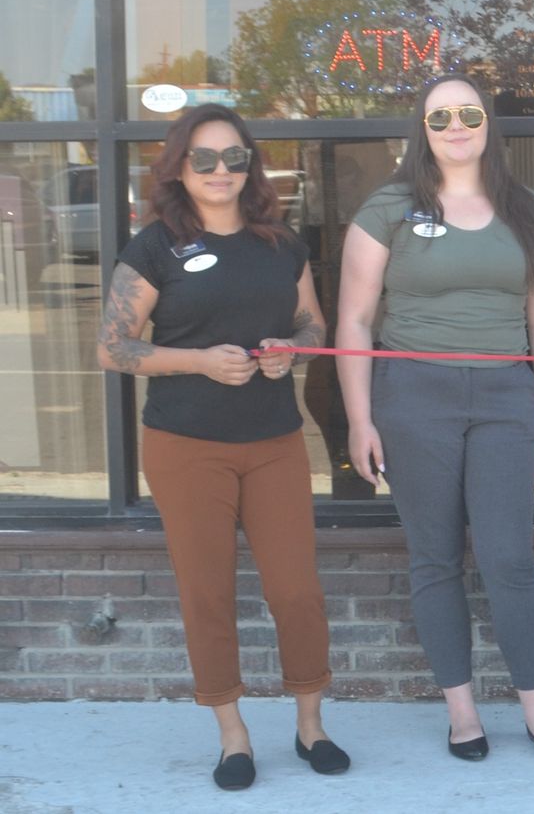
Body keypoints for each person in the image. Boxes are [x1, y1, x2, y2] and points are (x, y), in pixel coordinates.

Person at [96, 104, 348, 791]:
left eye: (233, 157)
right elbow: (112, 346)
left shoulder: (280, 241)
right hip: (186, 444)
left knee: (296, 589)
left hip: (272, 440)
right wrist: (199, 360)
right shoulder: (154, 245)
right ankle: (233, 735)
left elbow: (311, 321)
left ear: (250, 164)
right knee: (207, 592)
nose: (219, 170)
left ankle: (310, 723)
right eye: (203, 157)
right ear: (179, 166)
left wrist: (287, 349)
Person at [336, 74, 534, 762]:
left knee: (509, 558)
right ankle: (462, 711)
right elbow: (353, 317)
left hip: (505, 395)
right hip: (414, 396)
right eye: (441, 116)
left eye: (469, 112)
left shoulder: (527, 209)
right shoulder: (389, 207)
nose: (456, 125)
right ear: (423, 128)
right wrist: (360, 418)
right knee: (436, 558)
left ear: (488, 123)